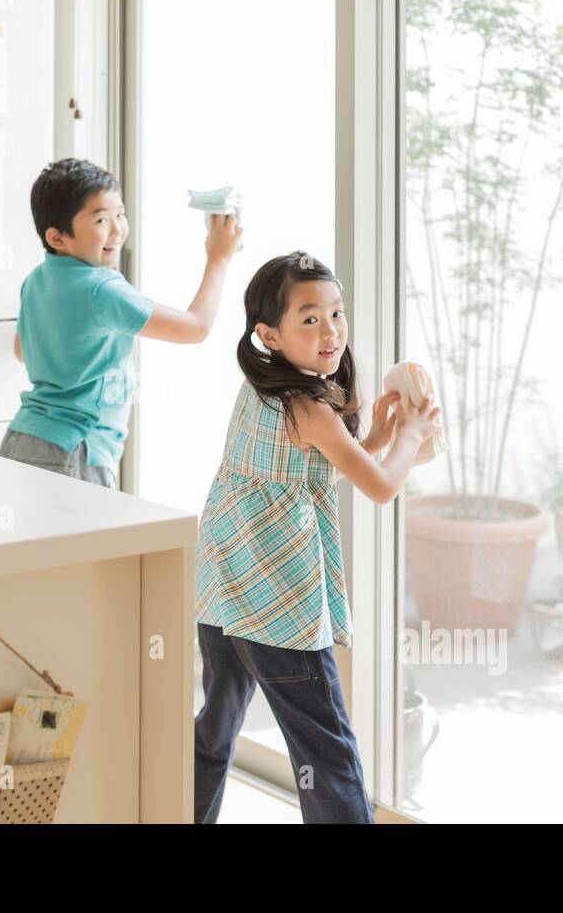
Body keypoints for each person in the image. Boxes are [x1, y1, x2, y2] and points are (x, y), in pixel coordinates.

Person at [193, 250, 440, 823]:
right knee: (327, 753)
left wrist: (374, 435)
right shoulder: (310, 406)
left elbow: (315, 467)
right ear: (269, 333)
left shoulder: (264, 388)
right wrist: (410, 435)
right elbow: (379, 488)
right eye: (310, 318)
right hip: (279, 608)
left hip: (225, 587)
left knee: (216, 727)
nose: (331, 331)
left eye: (337, 312)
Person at [0, 158, 243, 488]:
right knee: (90, 540)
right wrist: (218, 258)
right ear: (57, 237)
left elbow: (22, 351)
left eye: (120, 214)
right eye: (101, 219)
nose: (117, 229)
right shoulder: (102, 290)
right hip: (74, 451)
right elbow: (195, 327)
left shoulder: (36, 280)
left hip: (21, 439)